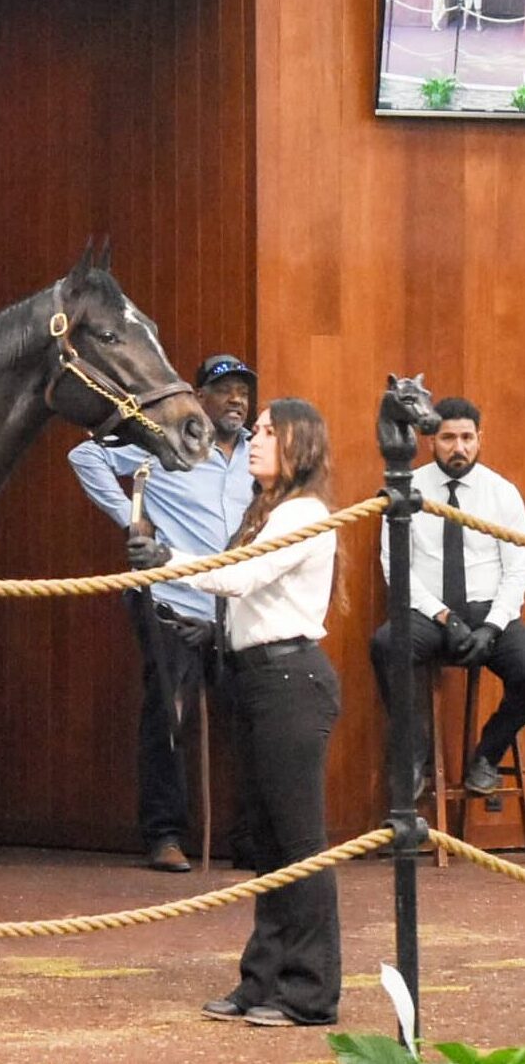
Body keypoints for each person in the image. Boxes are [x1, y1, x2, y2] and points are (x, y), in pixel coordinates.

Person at [128, 399, 340, 1028]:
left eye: (270, 431)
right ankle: (263, 980)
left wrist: (167, 561)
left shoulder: (304, 513)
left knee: (299, 843)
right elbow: (248, 596)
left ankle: (311, 993)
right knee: (268, 842)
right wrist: (213, 631)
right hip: (257, 676)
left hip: (289, 681)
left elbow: (244, 578)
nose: (256, 437)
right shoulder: (266, 510)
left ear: (299, 443)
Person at [69, 353, 257, 873]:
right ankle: (164, 834)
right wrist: (132, 519)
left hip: (234, 606)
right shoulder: (167, 439)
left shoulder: (256, 452)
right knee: (169, 714)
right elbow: (86, 455)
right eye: (225, 390)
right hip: (172, 598)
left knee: (254, 711)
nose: (236, 400)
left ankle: (249, 836)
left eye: (243, 391)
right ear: (199, 397)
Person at [370, 397, 525, 800]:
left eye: (467, 438)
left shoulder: (502, 493)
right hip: (430, 613)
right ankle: (414, 756)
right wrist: (444, 616)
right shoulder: (407, 490)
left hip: (488, 611)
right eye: (448, 438)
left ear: (479, 438)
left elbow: (517, 571)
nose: (459, 447)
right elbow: (396, 568)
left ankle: (487, 756)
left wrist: (492, 626)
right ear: (430, 441)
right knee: (386, 645)